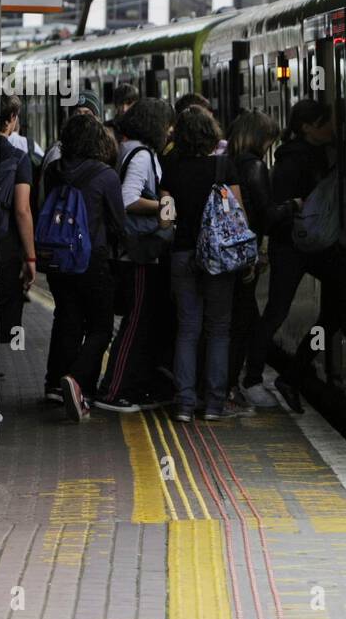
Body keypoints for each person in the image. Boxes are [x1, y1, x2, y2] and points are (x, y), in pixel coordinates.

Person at [245, 99, 334, 413]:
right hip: (291, 244)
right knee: (276, 312)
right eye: (325, 121)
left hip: (311, 245)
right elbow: (273, 212)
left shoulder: (320, 153)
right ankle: (253, 379)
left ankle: (292, 374)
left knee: (331, 313)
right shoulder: (291, 162)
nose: (332, 127)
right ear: (307, 127)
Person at [159, 107, 246, 422]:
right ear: (211, 133)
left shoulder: (170, 168)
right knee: (219, 329)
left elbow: (166, 220)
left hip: (183, 254)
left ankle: (184, 403)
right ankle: (214, 405)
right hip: (220, 257)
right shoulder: (224, 166)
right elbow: (238, 216)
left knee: (188, 328)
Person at [42, 113, 126, 422]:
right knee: (101, 327)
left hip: (57, 259)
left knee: (68, 320)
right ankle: (77, 381)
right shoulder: (106, 176)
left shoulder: (53, 171)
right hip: (92, 261)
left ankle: (56, 385)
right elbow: (119, 222)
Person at [96, 98, 173, 412]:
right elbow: (127, 199)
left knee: (138, 320)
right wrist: (165, 207)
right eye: (167, 125)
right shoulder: (141, 155)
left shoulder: (128, 149)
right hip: (137, 251)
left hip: (129, 249)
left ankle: (132, 385)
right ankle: (113, 390)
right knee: (135, 321)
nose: (170, 131)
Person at [227, 111, 296, 408]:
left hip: (228, 254)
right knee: (244, 322)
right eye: (269, 138)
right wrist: (293, 205)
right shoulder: (254, 167)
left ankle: (238, 382)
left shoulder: (226, 161)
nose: (270, 145)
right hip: (244, 254)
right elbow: (266, 216)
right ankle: (239, 384)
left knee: (242, 320)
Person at [0, 96, 36, 353]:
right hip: (5, 244)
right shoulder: (19, 157)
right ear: (10, 120)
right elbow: (22, 210)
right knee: (4, 304)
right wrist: (31, 257)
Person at [42, 90, 102, 170]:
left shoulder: (105, 148)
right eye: (77, 113)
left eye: (88, 114)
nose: (82, 119)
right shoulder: (57, 151)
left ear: (97, 118)